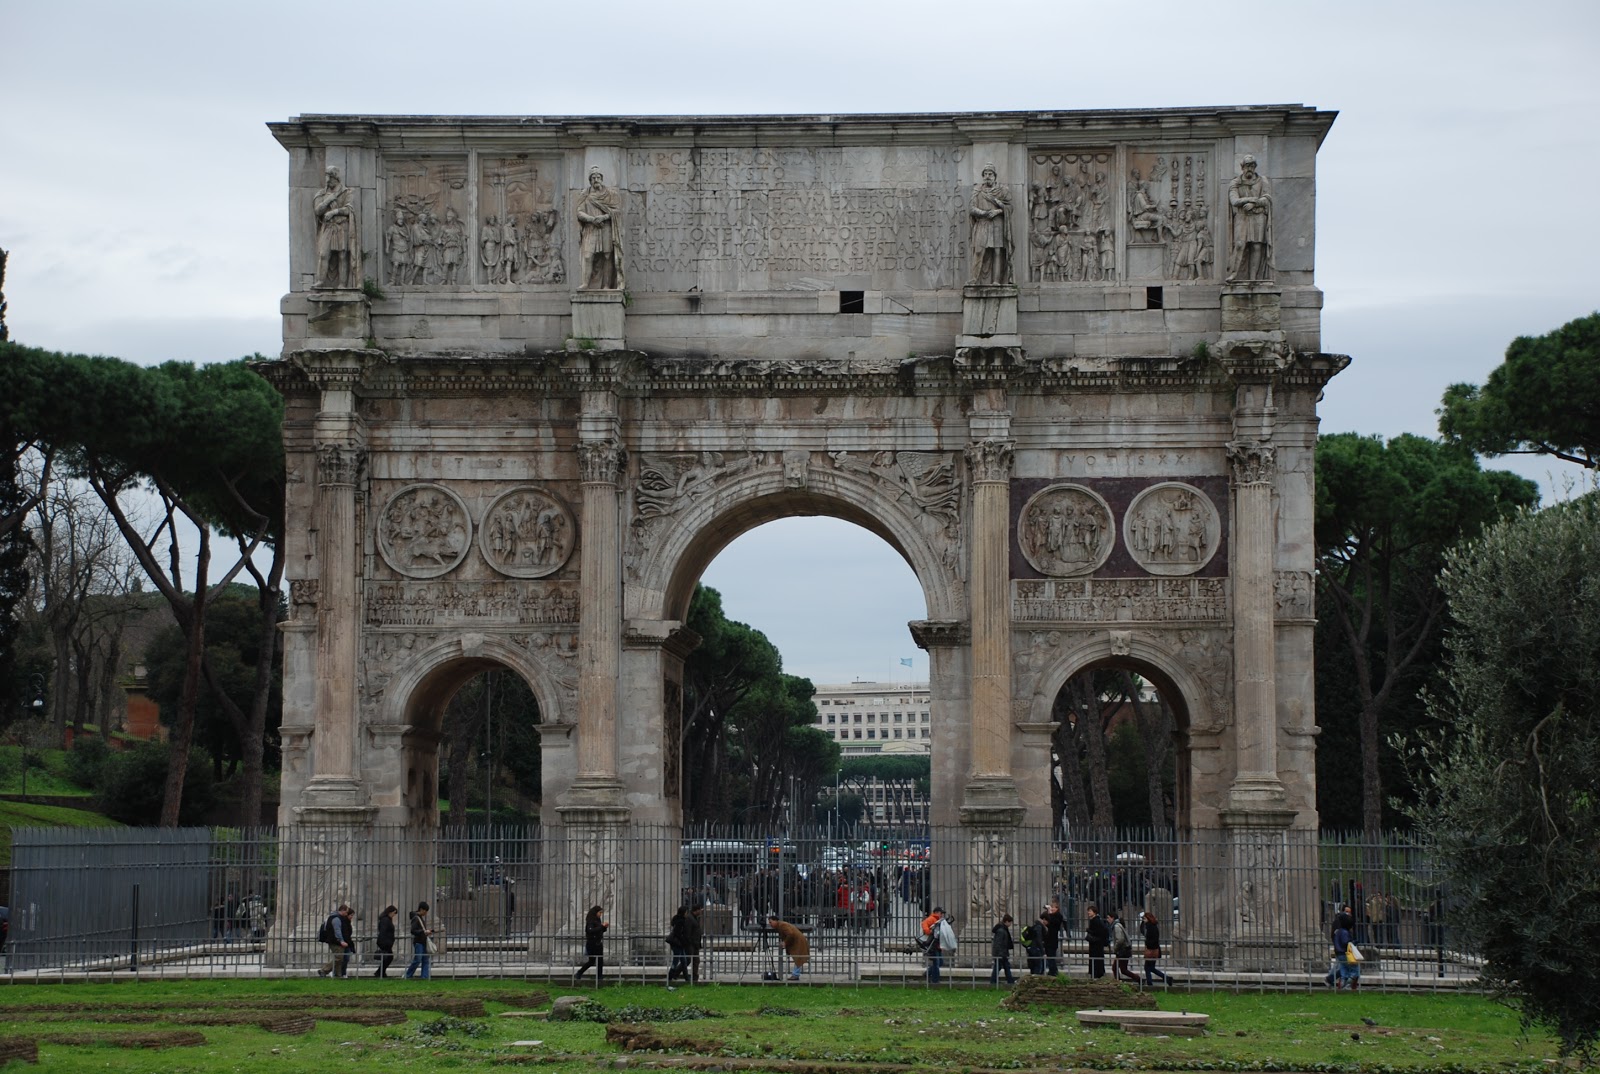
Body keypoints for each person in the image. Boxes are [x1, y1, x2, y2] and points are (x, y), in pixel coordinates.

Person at [1225, 154, 1273, 282]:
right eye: (1247, 166)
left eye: (1252, 166)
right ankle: (1234, 274)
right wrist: (1250, 199)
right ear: (1242, 167)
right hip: (1242, 216)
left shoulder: (1262, 181)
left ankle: (1253, 278)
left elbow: (1267, 198)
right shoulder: (1235, 183)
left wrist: (1254, 203)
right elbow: (1234, 201)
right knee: (1240, 244)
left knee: (1256, 246)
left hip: (1258, 216)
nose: (1250, 168)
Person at [576, 168, 624, 290]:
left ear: (602, 179)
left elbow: (616, 211)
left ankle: (606, 285)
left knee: (607, 255)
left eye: (598, 177)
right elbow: (579, 212)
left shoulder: (610, 194)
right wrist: (592, 219)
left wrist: (603, 217)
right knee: (588, 256)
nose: (596, 180)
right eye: (593, 178)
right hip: (590, 228)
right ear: (590, 180)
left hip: (606, 227)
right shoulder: (585, 194)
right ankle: (586, 283)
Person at [968, 163, 1013, 285]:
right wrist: (984, 213)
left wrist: (998, 211)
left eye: (990, 174)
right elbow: (971, 208)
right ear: (983, 176)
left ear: (995, 176)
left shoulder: (1002, 191)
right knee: (978, 251)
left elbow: (1010, 207)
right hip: (982, 223)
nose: (988, 176)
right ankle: (974, 278)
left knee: (997, 251)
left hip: (997, 223)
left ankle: (996, 280)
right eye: (985, 174)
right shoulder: (977, 190)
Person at [313, 167, 358, 289]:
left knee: (342, 255)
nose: (327, 181)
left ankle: (342, 284)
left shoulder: (347, 192)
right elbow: (317, 211)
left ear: (336, 178)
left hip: (341, 226)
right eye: (326, 178)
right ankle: (320, 281)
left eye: (330, 178)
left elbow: (349, 209)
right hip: (327, 227)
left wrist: (334, 212)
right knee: (323, 254)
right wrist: (327, 201)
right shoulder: (321, 194)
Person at [766, 914, 809, 982]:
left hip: (798, 941)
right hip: (797, 941)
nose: (770, 924)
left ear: (775, 921)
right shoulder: (780, 926)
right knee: (798, 958)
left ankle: (795, 974)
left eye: (771, 922)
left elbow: (790, 933)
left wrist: (785, 942)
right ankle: (795, 974)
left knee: (798, 958)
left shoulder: (782, 925)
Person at [574, 905, 608, 985]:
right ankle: (579, 973)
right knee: (591, 961)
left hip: (598, 943)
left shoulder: (597, 920)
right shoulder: (590, 921)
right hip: (592, 943)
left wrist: (604, 927)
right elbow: (590, 931)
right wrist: (601, 926)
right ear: (595, 912)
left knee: (600, 961)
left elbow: (599, 931)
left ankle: (599, 977)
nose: (600, 914)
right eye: (600, 912)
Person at [319, 903, 354, 978]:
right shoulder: (336, 918)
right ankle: (324, 970)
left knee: (340, 958)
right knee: (338, 957)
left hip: (335, 940)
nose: (347, 913)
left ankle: (338, 974)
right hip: (335, 941)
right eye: (346, 912)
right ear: (342, 910)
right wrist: (341, 941)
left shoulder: (336, 917)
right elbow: (337, 931)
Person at [1139, 909, 1170, 988]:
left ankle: (1150, 984)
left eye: (1144, 918)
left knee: (1147, 967)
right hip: (1154, 949)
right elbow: (1142, 931)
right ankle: (1167, 978)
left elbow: (1152, 939)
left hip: (1152, 950)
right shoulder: (1150, 926)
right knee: (1151, 968)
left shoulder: (1151, 927)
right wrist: (1143, 922)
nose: (1144, 920)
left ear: (1148, 919)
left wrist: (1148, 945)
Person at [404, 901, 433, 980]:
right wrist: (423, 932)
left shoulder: (419, 918)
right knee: (418, 959)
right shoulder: (416, 918)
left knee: (425, 959)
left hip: (422, 941)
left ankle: (424, 976)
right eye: (425, 911)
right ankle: (408, 975)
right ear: (421, 909)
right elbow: (413, 930)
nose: (426, 913)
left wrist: (425, 932)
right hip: (418, 942)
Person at [666, 904, 692, 989]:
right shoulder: (680, 921)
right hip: (677, 943)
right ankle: (670, 977)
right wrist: (684, 940)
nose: (687, 914)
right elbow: (678, 933)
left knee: (684, 960)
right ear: (684, 912)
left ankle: (686, 978)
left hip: (678, 943)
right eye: (686, 912)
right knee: (676, 961)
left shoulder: (678, 919)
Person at [1109, 909, 1140, 983]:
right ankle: (1136, 979)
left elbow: (1120, 939)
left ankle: (1136, 979)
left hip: (1122, 950)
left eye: (1108, 918)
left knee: (1117, 968)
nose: (1107, 920)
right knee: (1120, 969)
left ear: (1112, 918)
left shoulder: (1116, 926)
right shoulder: (1118, 925)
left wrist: (1115, 948)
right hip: (1124, 950)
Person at [1333, 915, 1361, 991]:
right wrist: (1354, 942)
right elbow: (1346, 943)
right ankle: (1348, 984)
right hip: (1346, 953)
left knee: (1343, 971)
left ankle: (1342, 986)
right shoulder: (1345, 932)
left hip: (1339, 953)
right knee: (1355, 970)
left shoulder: (1338, 931)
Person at [989, 912, 1017, 986]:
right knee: (999, 968)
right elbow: (998, 943)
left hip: (1002, 952)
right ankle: (994, 981)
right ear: (1007, 921)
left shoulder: (1002, 929)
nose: (1010, 924)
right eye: (1010, 922)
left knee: (1005, 967)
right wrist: (1000, 954)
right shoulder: (1001, 931)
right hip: (1001, 953)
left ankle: (1009, 980)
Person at [1085, 903, 1110, 979]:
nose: (1088, 912)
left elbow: (1102, 931)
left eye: (1090, 911)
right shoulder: (1095, 920)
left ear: (1094, 912)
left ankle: (1096, 973)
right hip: (1096, 944)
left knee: (1096, 959)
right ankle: (1096, 973)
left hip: (1096, 944)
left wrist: (1090, 931)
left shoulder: (1096, 921)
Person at [1041, 901, 1066, 976]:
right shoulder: (1051, 915)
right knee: (1049, 956)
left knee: (1051, 956)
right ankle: (1052, 971)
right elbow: (1043, 916)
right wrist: (1048, 911)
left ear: (1057, 908)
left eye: (1053, 907)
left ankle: (1054, 972)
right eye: (1051, 907)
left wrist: (1050, 913)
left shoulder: (1058, 916)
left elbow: (1054, 922)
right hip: (1048, 939)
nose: (1052, 909)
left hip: (1053, 939)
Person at [374, 904, 398, 978]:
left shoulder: (386, 919)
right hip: (385, 942)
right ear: (390, 912)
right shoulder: (385, 920)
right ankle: (380, 972)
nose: (394, 915)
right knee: (389, 957)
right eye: (394, 913)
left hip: (387, 942)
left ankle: (381, 972)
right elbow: (383, 932)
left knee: (388, 958)